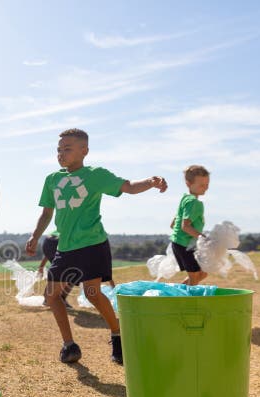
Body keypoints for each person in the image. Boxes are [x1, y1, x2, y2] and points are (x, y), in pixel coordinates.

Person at [25, 128, 167, 366]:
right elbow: (46, 213)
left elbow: (129, 186)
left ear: (84, 151)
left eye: (67, 149)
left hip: (93, 244)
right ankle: (69, 346)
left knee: (92, 294)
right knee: (52, 295)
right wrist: (35, 236)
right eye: (59, 149)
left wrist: (151, 182)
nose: (61, 153)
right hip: (65, 247)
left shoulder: (96, 175)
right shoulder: (52, 180)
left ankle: (118, 335)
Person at [169, 165, 210, 286]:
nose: (205, 188)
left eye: (207, 184)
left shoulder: (185, 199)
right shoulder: (194, 202)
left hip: (181, 244)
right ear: (188, 183)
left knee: (203, 272)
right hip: (184, 245)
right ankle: (188, 301)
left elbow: (173, 224)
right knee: (195, 275)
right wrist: (203, 238)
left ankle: (181, 291)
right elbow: (185, 226)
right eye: (201, 185)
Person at [37, 232, 73, 309]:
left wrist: (41, 267)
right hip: (58, 241)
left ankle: (48, 299)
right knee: (73, 273)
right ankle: (58, 299)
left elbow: (50, 254)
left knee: (60, 271)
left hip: (47, 241)